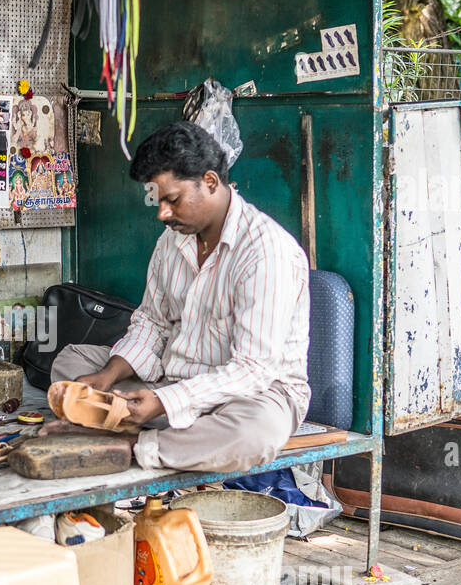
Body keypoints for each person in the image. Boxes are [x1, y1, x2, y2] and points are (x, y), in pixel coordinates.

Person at [49, 121, 310, 474]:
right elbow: (152, 323)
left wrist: (164, 401)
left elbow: (254, 370)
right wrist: (109, 376)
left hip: (250, 396)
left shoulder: (265, 252)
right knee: (72, 362)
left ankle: (133, 444)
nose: (162, 214)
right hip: (173, 379)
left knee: (256, 434)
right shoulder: (171, 242)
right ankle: (150, 427)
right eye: (158, 202)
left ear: (210, 182)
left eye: (172, 200)